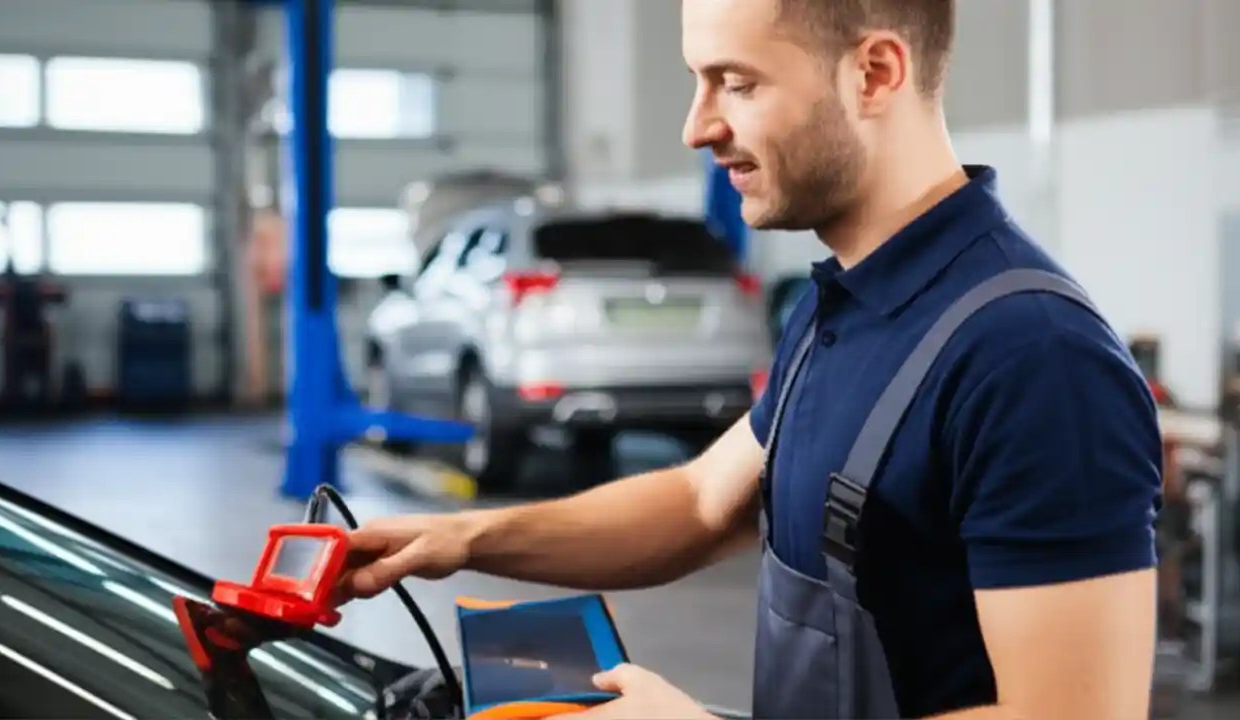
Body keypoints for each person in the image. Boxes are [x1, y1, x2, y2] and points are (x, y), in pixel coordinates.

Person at [332, 0, 1164, 717]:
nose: (697, 126)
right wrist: (465, 537)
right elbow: (703, 502)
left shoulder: (1033, 360)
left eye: (737, 82)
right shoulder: (844, 301)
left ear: (874, 73)